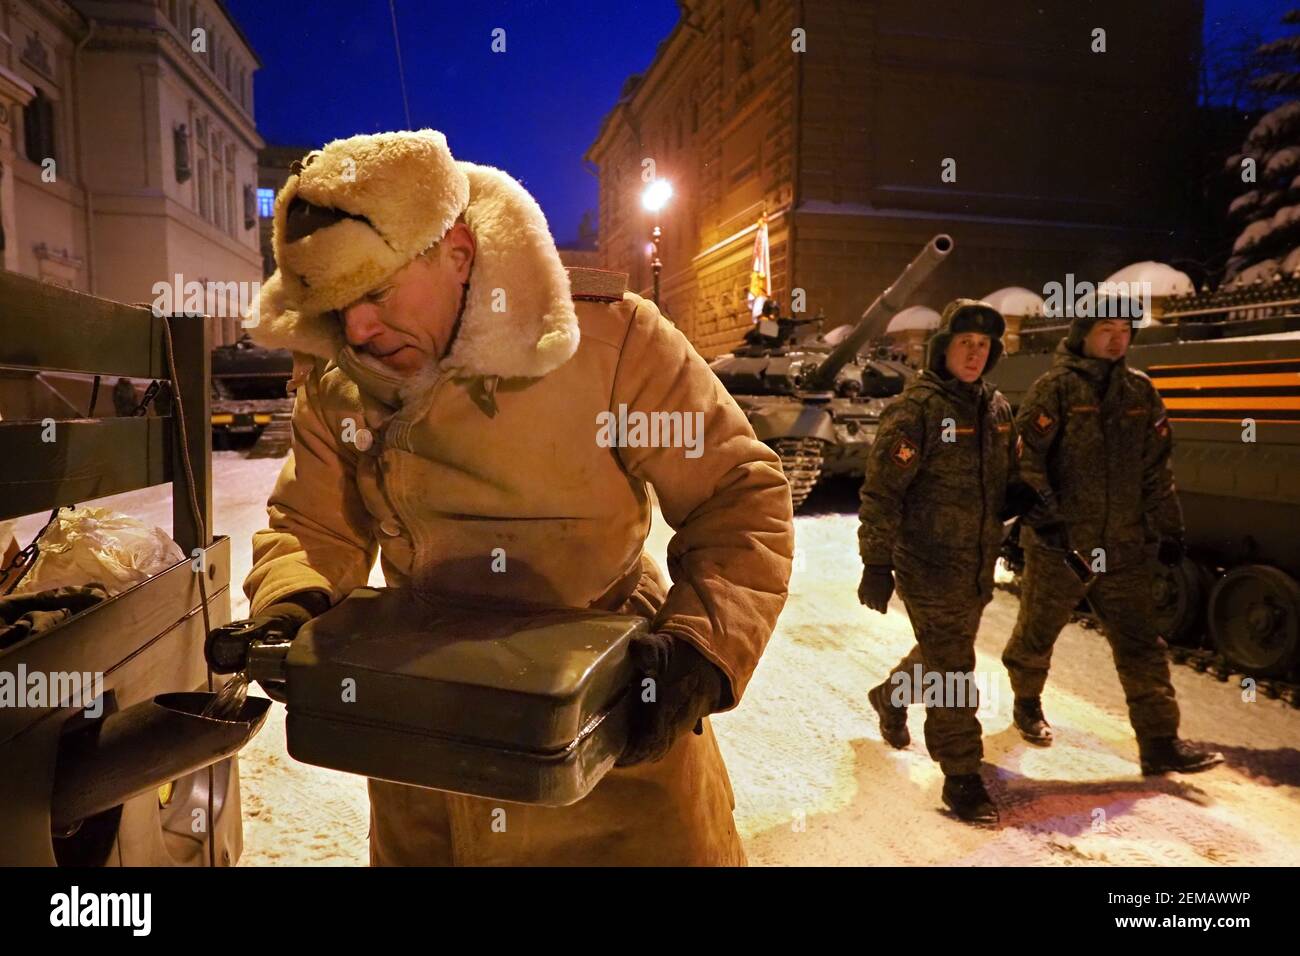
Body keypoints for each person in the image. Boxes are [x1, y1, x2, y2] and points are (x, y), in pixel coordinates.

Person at [208, 129, 795, 865]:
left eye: (375, 291)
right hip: (427, 758)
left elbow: (738, 497)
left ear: (456, 252)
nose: (355, 327)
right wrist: (290, 604)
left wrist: (699, 649)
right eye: (333, 302)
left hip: (609, 752)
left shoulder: (609, 343)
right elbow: (312, 526)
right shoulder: (338, 384)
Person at [1001, 297, 1223, 775]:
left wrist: (1169, 528)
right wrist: (1047, 518)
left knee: (1142, 643)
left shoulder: (1139, 392)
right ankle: (1027, 703)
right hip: (1064, 547)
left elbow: (1156, 468)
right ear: (1083, 334)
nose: (1117, 338)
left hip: (1123, 547)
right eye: (1106, 328)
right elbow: (1024, 460)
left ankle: (1159, 742)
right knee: (1038, 632)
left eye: (1125, 329)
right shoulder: (1054, 389)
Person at [858, 299, 1015, 825]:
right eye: (964, 344)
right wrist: (876, 562)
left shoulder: (996, 409)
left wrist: (1024, 506)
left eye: (983, 346)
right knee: (954, 668)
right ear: (943, 347)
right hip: (926, 562)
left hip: (974, 563)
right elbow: (883, 492)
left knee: (942, 650)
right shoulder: (916, 409)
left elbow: (1002, 481)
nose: (974, 354)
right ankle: (961, 776)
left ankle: (890, 695)